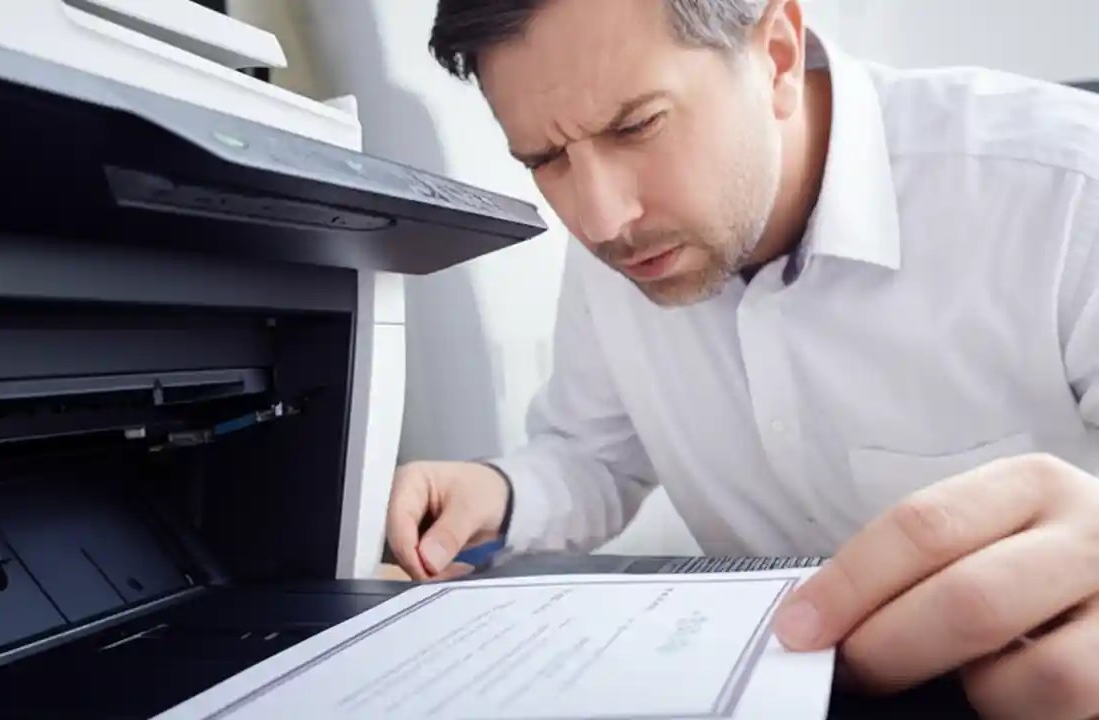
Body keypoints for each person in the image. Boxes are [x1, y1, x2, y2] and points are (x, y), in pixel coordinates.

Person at [386, 0, 1099, 716]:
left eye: (637, 126)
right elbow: (592, 454)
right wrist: (499, 495)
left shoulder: (1067, 192)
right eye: (544, 160)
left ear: (779, 54)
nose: (601, 219)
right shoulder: (623, 243)